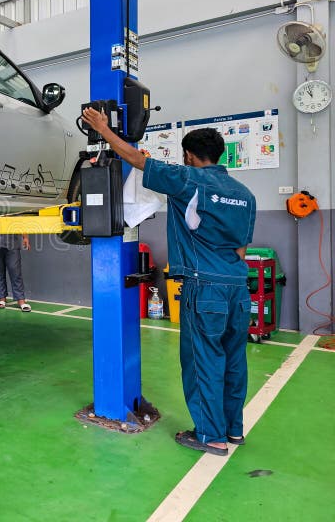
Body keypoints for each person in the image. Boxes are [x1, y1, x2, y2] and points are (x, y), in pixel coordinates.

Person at [81, 107, 256, 457]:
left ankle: (210, 436)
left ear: (189, 155)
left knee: (204, 362)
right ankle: (232, 429)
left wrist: (102, 127)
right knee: (234, 361)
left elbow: (133, 157)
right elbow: (240, 249)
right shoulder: (245, 195)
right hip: (237, 287)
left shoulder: (187, 179)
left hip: (203, 288)